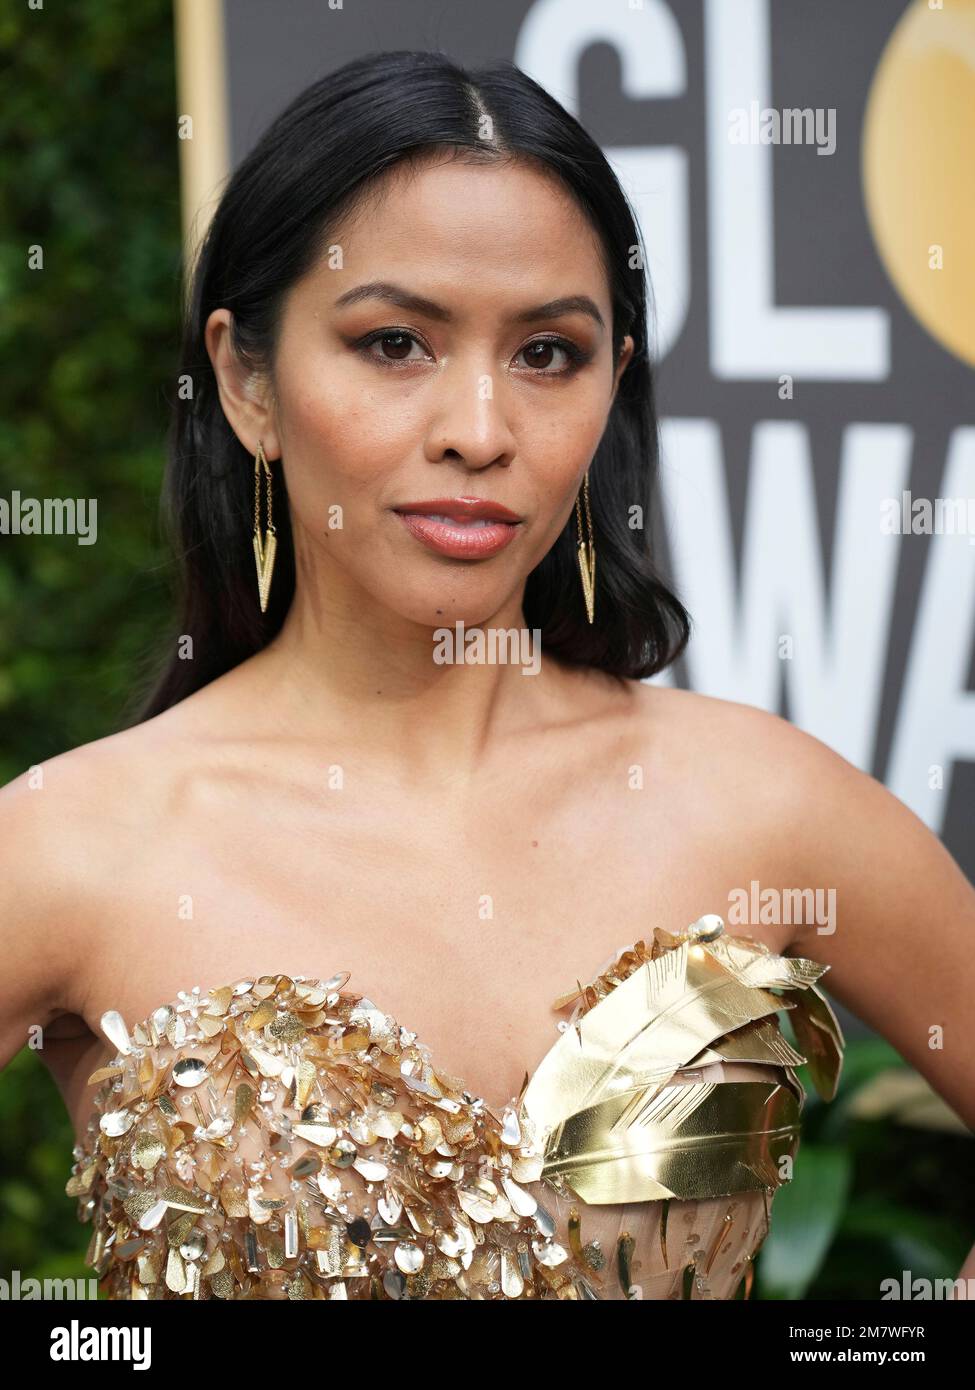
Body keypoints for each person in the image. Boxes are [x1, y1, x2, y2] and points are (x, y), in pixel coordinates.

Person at [1, 50, 972, 1302]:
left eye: (548, 355)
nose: (478, 428)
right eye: (395, 342)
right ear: (246, 380)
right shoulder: (78, 844)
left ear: (613, 379)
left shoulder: (760, 802)